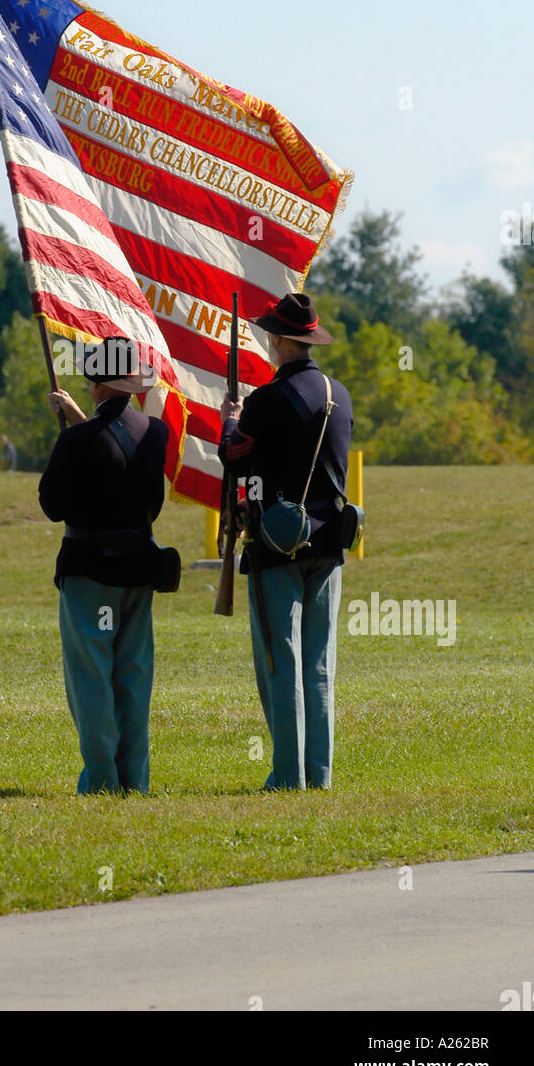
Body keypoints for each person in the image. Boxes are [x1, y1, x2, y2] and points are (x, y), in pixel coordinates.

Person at [219, 293, 353, 791]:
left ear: (278, 340)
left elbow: (234, 457)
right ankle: (318, 776)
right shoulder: (341, 395)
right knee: (319, 665)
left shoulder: (266, 401)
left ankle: (287, 776)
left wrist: (231, 417)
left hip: (277, 542)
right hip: (329, 541)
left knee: (282, 662)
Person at [38, 337, 169, 795]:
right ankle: (135, 780)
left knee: (91, 681)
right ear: (132, 384)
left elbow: (52, 506)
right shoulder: (156, 433)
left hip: (88, 571)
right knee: (133, 678)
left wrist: (70, 440)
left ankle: (101, 782)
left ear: (95, 384)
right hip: (139, 568)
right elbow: (150, 503)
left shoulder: (77, 440)